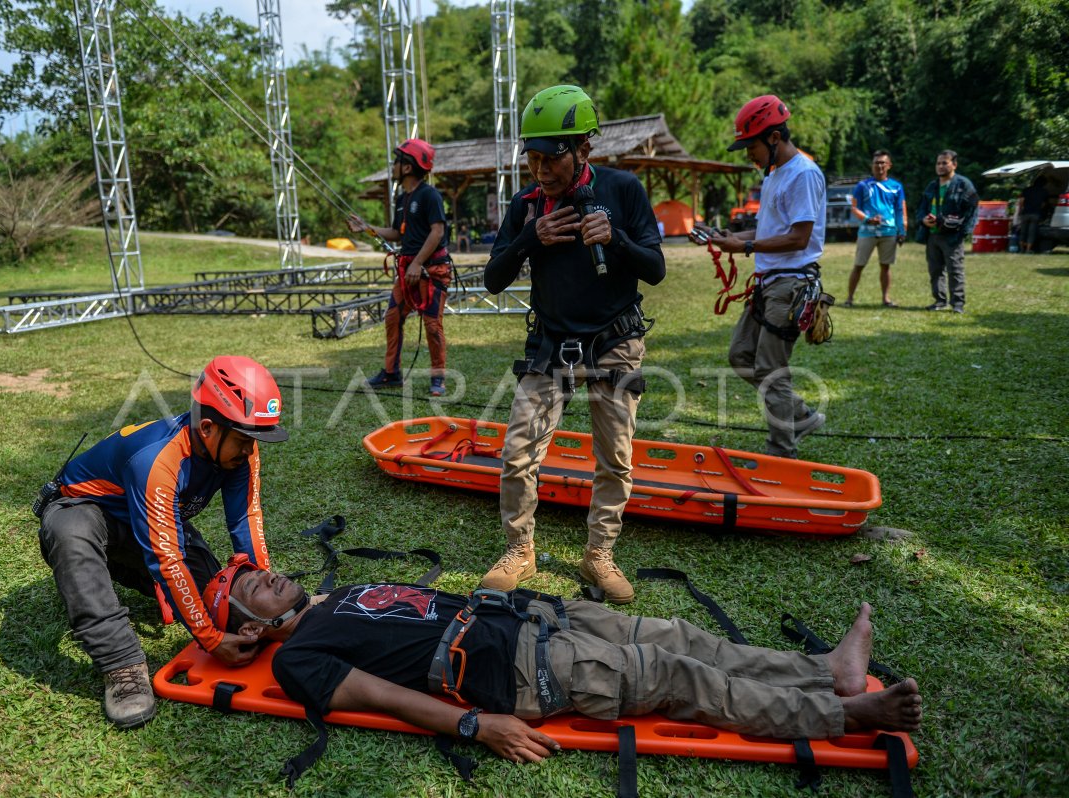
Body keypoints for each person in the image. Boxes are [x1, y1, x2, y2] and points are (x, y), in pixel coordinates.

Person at [204, 563, 923, 764]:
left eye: (257, 570)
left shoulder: (334, 597)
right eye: (247, 591)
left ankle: (826, 668)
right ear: (251, 627)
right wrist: (473, 726)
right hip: (515, 670)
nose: (260, 576)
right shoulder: (299, 654)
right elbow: (378, 697)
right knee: (676, 678)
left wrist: (261, 619)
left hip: (537, 615)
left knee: (679, 635)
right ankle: (841, 711)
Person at [481, 85, 666, 603]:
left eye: (551, 158)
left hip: (615, 341)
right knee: (518, 454)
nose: (540, 170)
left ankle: (598, 553)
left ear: (584, 149)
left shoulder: (624, 189)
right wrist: (528, 238)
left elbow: (655, 268)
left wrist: (617, 239)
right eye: (532, 158)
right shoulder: (525, 206)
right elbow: (493, 280)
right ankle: (521, 550)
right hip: (552, 342)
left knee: (615, 458)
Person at [36, 355, 289, 728]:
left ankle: (130, 589)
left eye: (257, 440)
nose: (251, 450)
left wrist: (267, 609)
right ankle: (121, 665)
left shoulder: (239, 452)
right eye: (245, 440)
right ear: (207, 427)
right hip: (85, 513)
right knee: (71, 532)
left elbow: (245, 522)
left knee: (215, 600)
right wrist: (207, 637)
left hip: (155, 526)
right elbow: (166, 559)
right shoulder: (157, 460)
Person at [703, 95, 828, 459]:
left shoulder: (803, 174)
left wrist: (745, 248)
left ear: (774, 138)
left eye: (751, 146)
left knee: (771, 370)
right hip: (769, 282)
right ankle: (800, 416)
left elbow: (798, 238)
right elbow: (768, 229)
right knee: (741, 355)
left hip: (790, 283)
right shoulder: (774, 174)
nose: (748, 155)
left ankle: (781, 453)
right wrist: (726, 238)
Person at [348, 139, 454, 397]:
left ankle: (438, 378)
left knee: (432, 324)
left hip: (430, 271)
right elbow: (397, 232)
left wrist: (418, 262)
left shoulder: (429, 195)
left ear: (407, 168)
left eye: (397, 161)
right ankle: (391, 373)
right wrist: (367, 228)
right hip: (408, 271)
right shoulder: (402, 198)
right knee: (393, 317)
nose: (393, 165)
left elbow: (437, 231)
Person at [915, 150, 978, 312]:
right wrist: (923, 220)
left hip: (952, 236)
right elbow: (922, 208)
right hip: (932, 235)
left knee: (955, 270)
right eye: (938, 163)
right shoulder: (932, 185)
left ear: (954, 164)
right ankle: (939, 301)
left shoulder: (964, 184)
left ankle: (957, 304)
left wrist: (963, 232)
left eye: (945, 162)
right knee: (935, 271)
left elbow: (972, 209)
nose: (941, 166)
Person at [844, 151, 907, 307]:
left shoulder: (896, 187)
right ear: (872, 166)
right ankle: (849, 298)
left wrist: (902, 231)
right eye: (876, 162)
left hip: (889, 232)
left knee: (885, 266)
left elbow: (900, 209)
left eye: (882, 162)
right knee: (858, 265)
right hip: (867, 232)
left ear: (889, 165)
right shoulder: (862, 186)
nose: (879, 165)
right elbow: (854, 208)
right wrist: (867, 219)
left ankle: (886, 299)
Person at [1016, 177, 1048, 255]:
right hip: (1035, 214)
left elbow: (1021, 201)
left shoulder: (1026, 190)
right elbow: (1044, 204)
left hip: (1025, 213)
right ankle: (1028, 249)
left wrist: (1020, 210)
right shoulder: (1044, 191)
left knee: (1023, 231)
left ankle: (1021, 249)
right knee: (1032, 232)